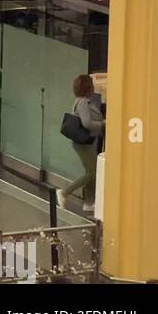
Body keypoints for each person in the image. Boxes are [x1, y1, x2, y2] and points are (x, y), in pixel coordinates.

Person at [57, 75, 105, 213]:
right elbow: (86, 123)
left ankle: (89, 202)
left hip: (89, 142)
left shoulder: (83, 101)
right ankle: (64, 192)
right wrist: (102, 125)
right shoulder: (83, 102)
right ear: (88, 88)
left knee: (91, 172)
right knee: (92, 172)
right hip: (85, 143)